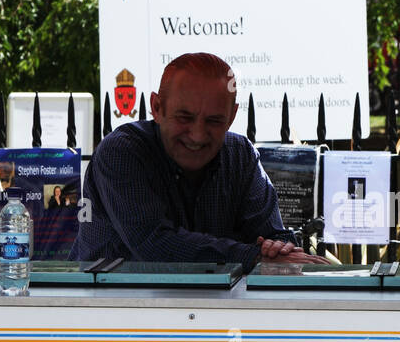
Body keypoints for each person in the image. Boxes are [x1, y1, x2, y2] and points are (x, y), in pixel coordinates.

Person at [74, 52, 324, 269]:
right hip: (109, 313)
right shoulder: (121, 152)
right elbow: (155, 245)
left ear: (232, 116)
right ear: (157, 107)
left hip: (212, 313)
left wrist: (278, 248)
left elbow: (275, 237)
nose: (197, 134)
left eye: (214, 121)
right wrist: (255, 256)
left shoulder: (241, 155)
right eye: (184, 117)